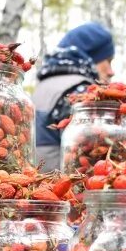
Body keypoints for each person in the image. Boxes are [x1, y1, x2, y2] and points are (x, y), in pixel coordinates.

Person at [33, 22, 115, 172]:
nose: (111, 71)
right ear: (90, 57)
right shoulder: (80, 91)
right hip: (69, 191)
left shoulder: (42, 87)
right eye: (108, 61)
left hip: (37, 187)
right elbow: (92, 155)